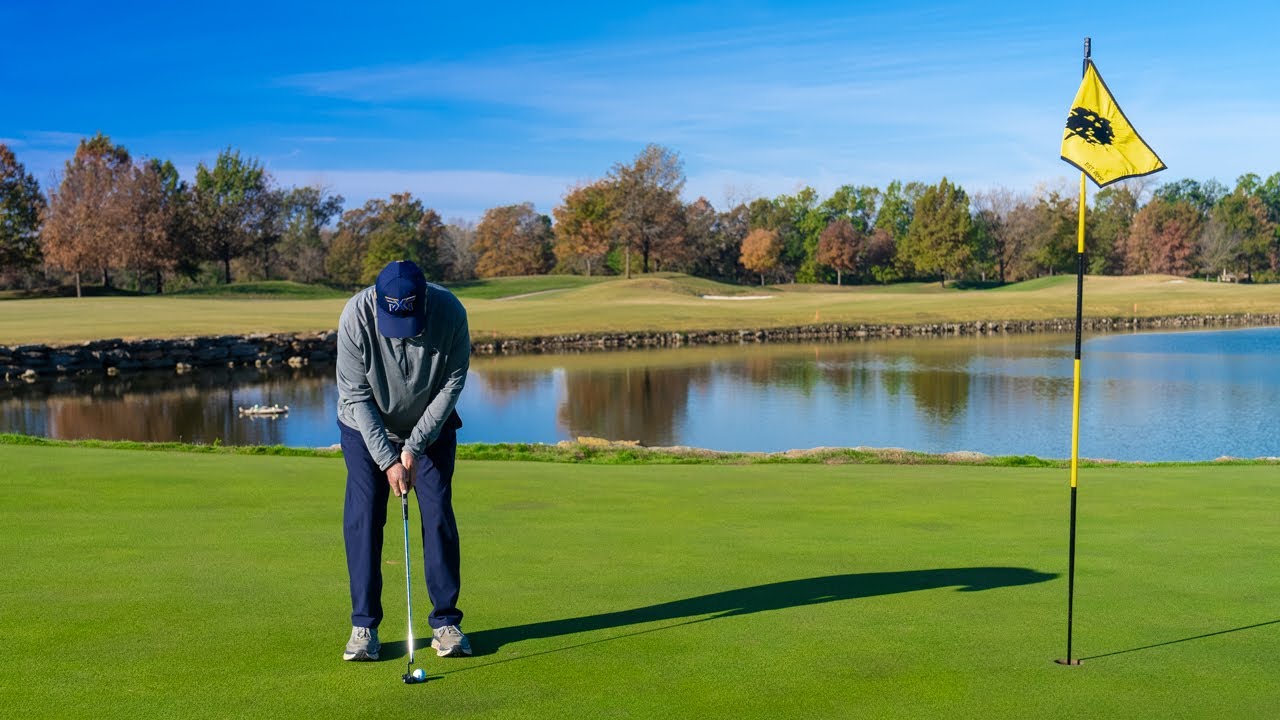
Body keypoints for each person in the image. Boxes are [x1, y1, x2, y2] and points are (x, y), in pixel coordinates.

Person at [336, 259, 472, 661]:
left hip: (431, 426)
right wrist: (388, 459)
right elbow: (356, 396)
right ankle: (364, 627)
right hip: (364, 426)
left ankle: (446, 622)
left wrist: (413, 447)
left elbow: (452, 385)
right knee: (363, 515)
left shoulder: (451, 313)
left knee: (437, 513)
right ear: (378, 302)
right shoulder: (355, 317)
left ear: (425, 301)